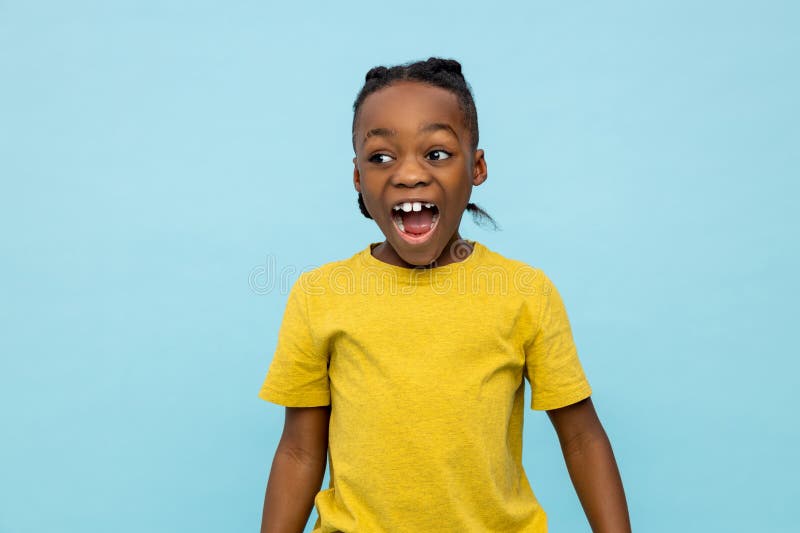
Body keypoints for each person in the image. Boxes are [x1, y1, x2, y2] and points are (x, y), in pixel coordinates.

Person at [258, 57, 631, 533]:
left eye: (436, 154)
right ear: (357, 177)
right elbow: (299, 450)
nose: (409, 174)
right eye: (381, 157)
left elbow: (581, 437)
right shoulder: (320, 295)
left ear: (476, 167)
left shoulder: (524, 293)